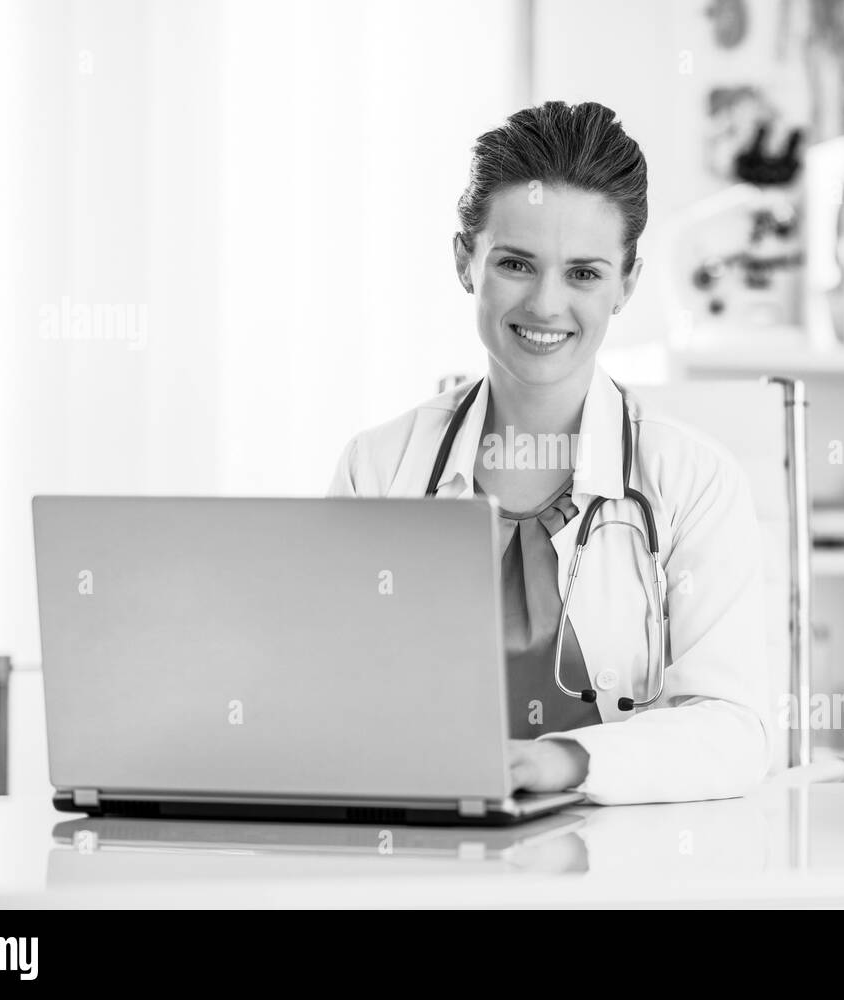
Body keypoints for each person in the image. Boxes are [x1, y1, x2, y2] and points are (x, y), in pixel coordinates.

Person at [327, 100, 770, 805]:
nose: (544, 303)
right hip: (424, 850)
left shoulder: (695, 482)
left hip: (624, 869)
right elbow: (326, 696)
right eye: (515, 264)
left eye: (585, 274)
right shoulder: (379, 468)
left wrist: (561, 763)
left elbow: (734, 731)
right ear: (464, 263)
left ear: (627, 283)